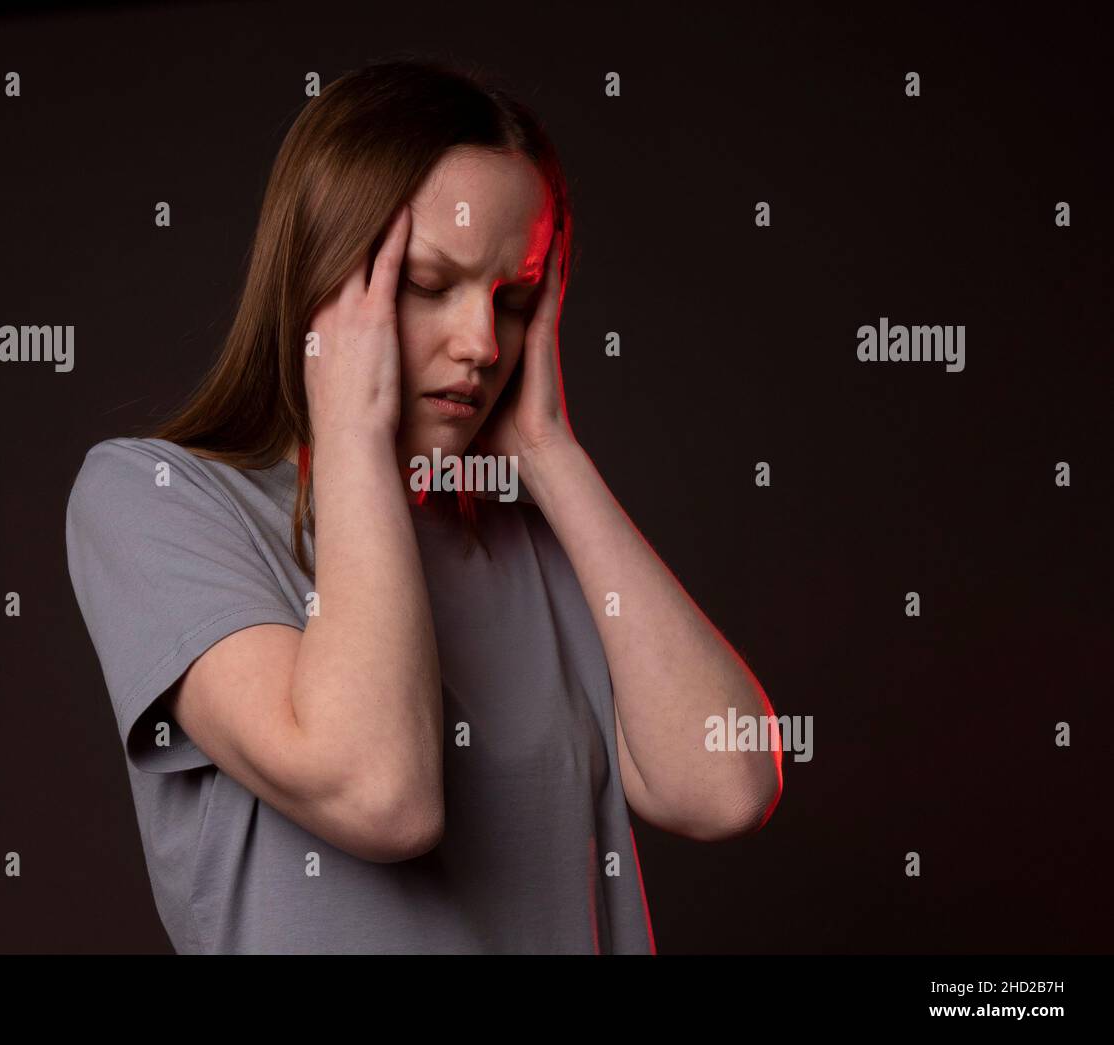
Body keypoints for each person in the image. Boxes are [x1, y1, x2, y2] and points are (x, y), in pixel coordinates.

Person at [64, 56, 781, 955]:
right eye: (429, 285)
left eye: (513, 298)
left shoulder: (538, 540)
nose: (482, 342)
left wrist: (553, 454)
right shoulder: (159, 500)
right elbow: (381, 794)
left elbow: (728, 786)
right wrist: (355, 434)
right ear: (318, 282)